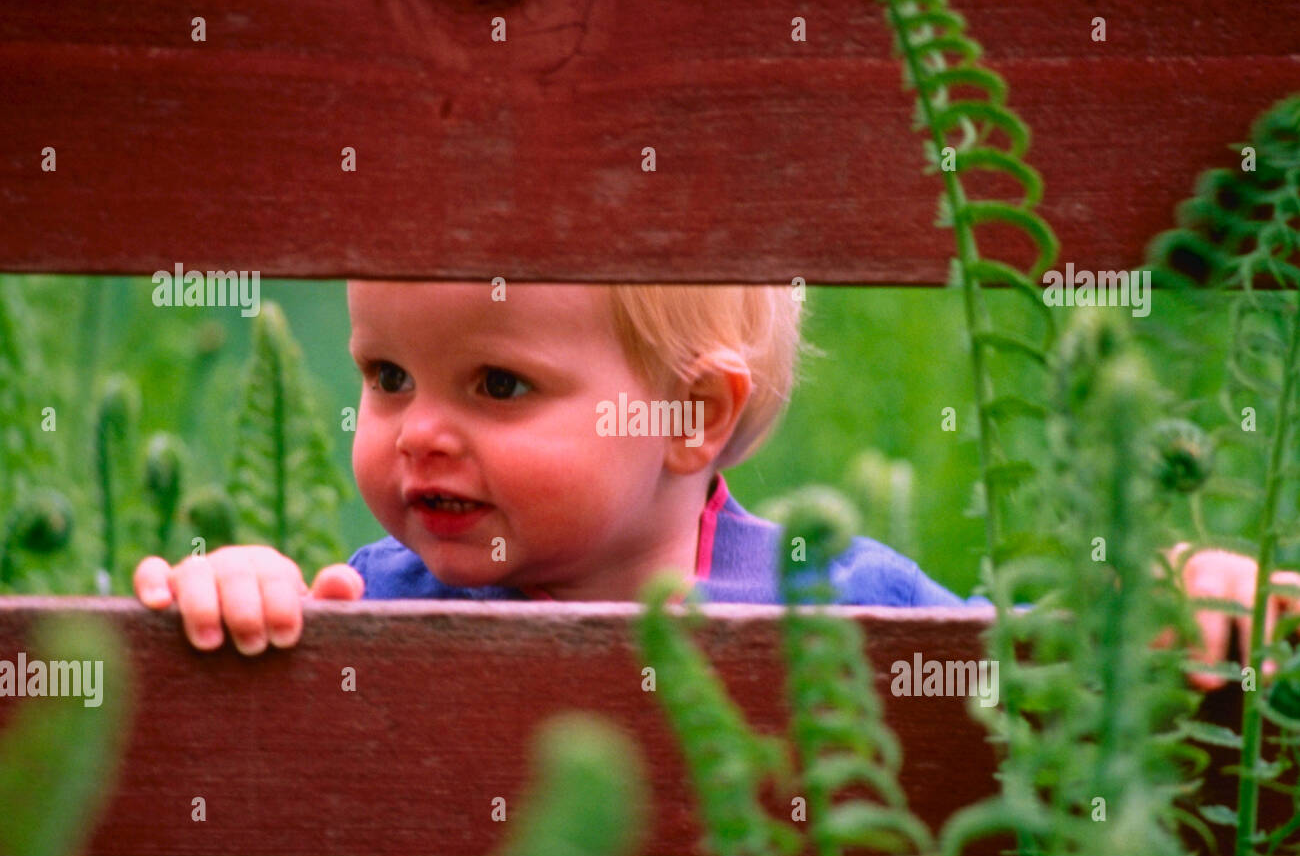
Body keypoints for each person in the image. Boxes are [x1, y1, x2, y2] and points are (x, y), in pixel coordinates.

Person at [132, 282, 1297, 691]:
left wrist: (1156, 605)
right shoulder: (359, 603)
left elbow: (1023, 682)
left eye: (495, 383)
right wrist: (232, 597)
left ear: (691, 417)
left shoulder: (838, 596)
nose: (416, 432)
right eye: (387, 375)